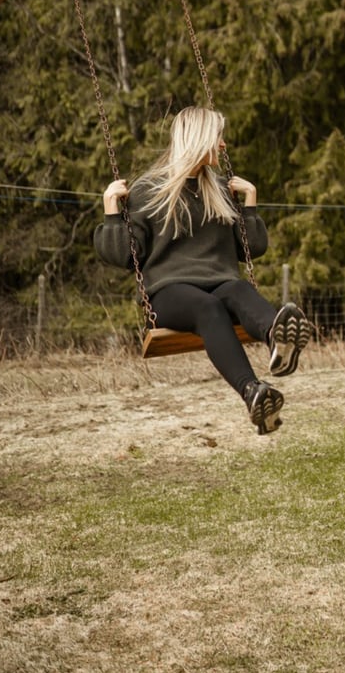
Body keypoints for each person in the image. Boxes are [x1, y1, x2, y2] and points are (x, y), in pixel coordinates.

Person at [94, 106, 312, 436]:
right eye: (218, 137)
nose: (223, 145)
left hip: (220, 284)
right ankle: (251, 390)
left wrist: (250, 201)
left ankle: (278, 341)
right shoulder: (148, 189)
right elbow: (125, 255)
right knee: (207, 307)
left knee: (239, 289)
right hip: (169, 293)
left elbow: (250, 250)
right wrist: (111, 210)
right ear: (199, 138)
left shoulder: (219, 188)